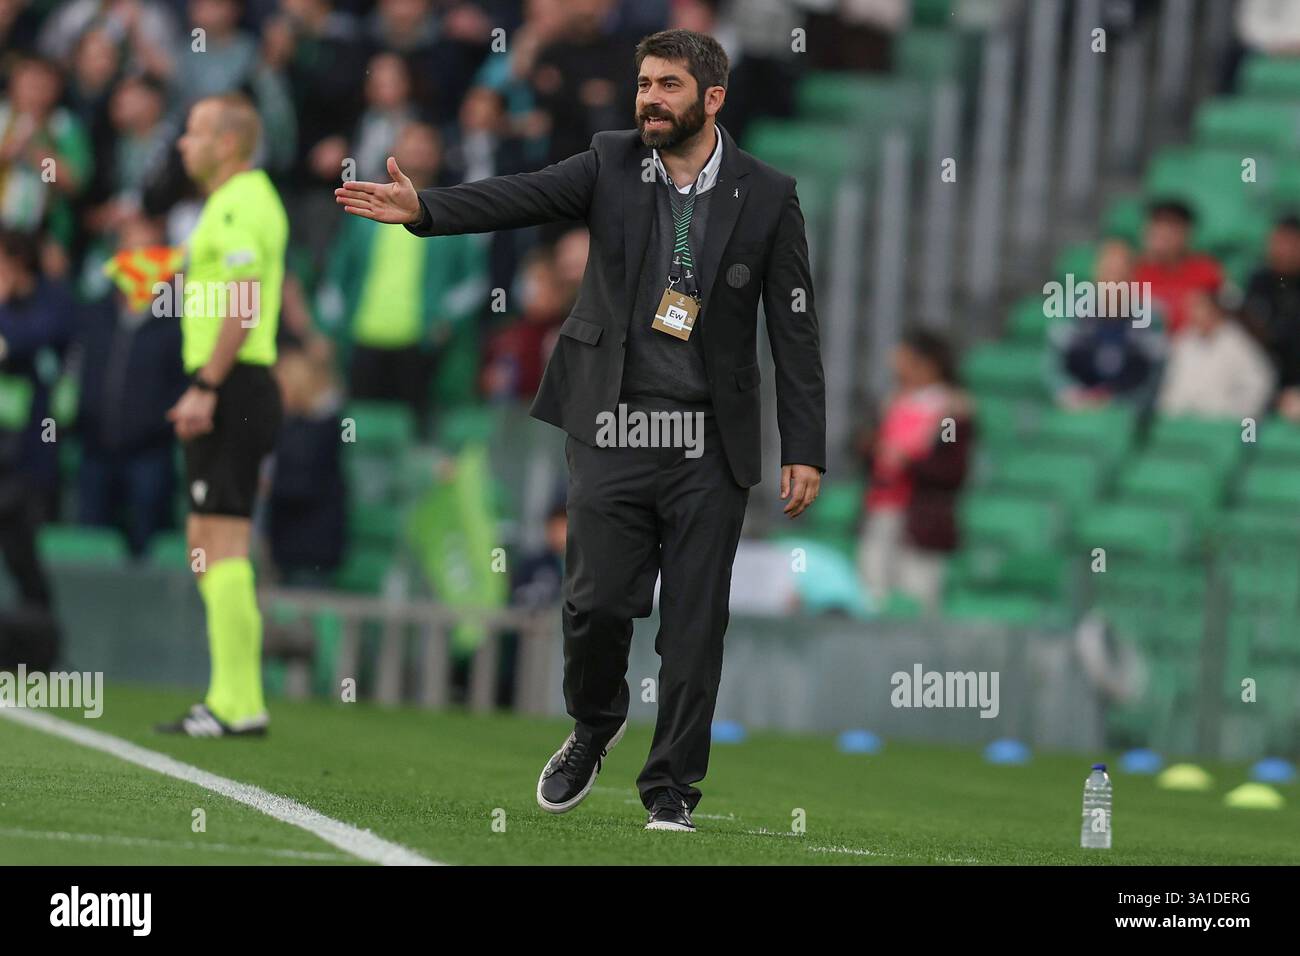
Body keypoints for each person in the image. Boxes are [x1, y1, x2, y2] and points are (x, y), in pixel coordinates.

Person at [338, 28, 825, 832]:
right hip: (613, 424)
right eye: (642, 84)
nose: (649, 100)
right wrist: (426, 209)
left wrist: (803, 444)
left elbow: (795, 329)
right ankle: (595, 725)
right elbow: (519, 195)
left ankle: (671, 787)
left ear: (713, 98)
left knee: (695, 624)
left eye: (667, 86)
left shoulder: (769, 194)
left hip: (710, 442)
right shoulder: (609, 160)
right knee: (595, 605)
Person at [156, 93, 287, 738]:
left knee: (224, 542)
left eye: (194, 131)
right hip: (228, 381)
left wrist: (207, 385)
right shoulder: (233, 201)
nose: (183, 143)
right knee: (206, 543)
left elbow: (242, 302)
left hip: (233, 384)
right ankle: (229, 696)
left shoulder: (241, 201)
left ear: (227, 143)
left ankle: (239, 703)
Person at [857, 330, 971, 613]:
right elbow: (871, 458)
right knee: (870, 593)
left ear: (928, 364)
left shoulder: (951, 411)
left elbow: (952, 470)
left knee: (918, 596)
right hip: (882, 510)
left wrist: (909, 462)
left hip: (923, 521)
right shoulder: (890, 404)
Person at [1157, 289, 1275, 420]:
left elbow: (1260, 383)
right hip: (1183, 421)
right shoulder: (1183, 342)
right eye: (1191, 308)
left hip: (1222, 424)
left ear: (1214, 310)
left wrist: (1235, 413)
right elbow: (1169, 384)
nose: (1194, 313)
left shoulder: (1238, 343)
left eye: (1199, 307)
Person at [1133, 199, 1223, 338]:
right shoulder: (1135, 272)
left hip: (1194, 347)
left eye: (1171, 225)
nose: (1162, 233)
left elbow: (1222, 320)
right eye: (1157, 223)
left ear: (1187, 233)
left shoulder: (1205, 270)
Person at [1240, 215, 1300, 420]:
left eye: (1290, 243)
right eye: (1278, 241)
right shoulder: (1259, 281)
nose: (1282, 250)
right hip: (1256, 377)